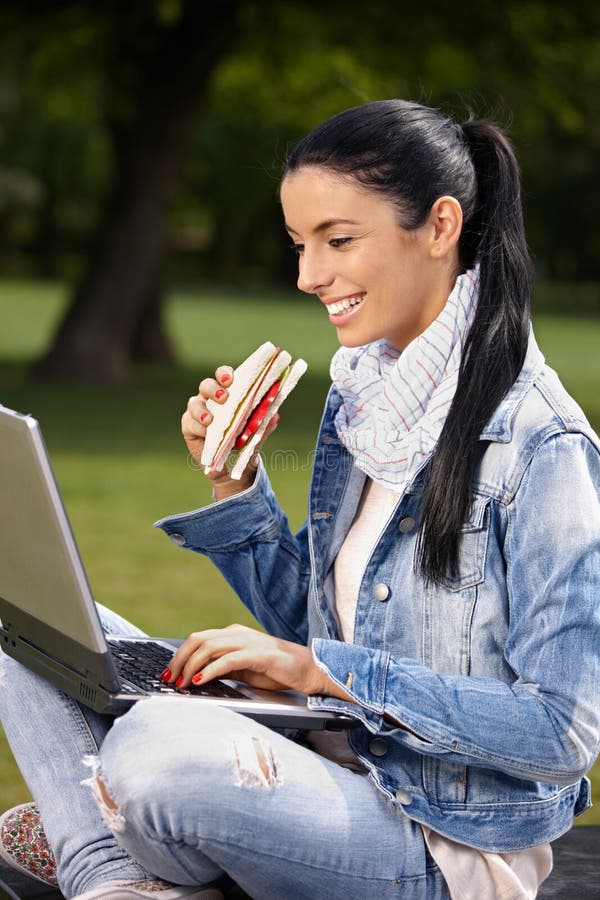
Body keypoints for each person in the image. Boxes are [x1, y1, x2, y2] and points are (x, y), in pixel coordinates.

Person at [1, 99, 599, 900]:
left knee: (152, 755)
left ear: (441, 226)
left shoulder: (543, 444)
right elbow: (311, 629)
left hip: (437, 843)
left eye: (337, 241)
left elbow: (561, 731)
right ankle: (119, 877)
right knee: (30, 626)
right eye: (298, 245)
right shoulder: (372, 396)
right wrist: (236, 483)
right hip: (317, 762)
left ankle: (107, 850)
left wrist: (324, 672)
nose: (308, 277)